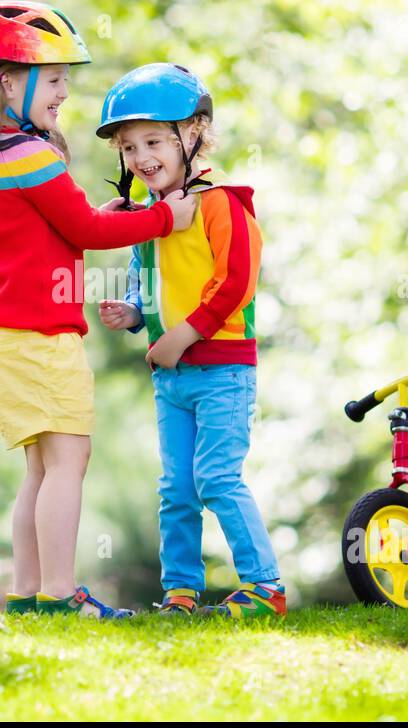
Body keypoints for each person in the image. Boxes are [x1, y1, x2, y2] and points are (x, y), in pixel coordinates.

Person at [0, 5, 197, 618]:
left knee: (42, 467)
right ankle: (61, 597)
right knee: (68, 460)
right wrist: (167, 215)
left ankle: (31, 597)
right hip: (37, 334)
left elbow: (56, 229)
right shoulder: (31, 154)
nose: (65, 91)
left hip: (12, 334)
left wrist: (108, 216)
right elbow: (85, 230)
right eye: (55, 76)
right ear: (9, 81)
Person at [96, 63, 284, 618]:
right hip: (172, 378)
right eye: (129, 148)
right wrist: (133, 313)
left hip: (223, 370)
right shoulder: (152, 217)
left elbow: (237, 282)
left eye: (153, 140)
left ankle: (264, 585)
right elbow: (146, 283)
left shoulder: (222, 202)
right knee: (176, 489)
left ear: (194, 133)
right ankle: (180, 590)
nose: (141, 157)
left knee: (217, 479)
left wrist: (181, 335)